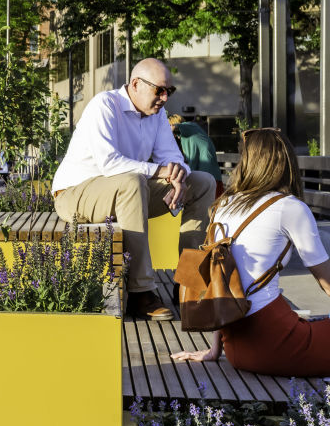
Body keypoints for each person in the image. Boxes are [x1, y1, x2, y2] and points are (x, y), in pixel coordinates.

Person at [172, 128, 330, 377]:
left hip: (238, 350)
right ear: (286, 162)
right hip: (280, 343)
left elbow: (221, 282)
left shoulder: (224, 205)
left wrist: (214, 350)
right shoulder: (289, 207)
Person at [51, 58, 217, 321]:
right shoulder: (104, 105)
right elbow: (109, 163)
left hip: (128, 193)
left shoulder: (157, 115)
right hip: (75, 194)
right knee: (131, 181)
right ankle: (141, 292)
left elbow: (171, 157)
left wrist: (179, 176)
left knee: (203, 182)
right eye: (159, 90)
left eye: (169, 92)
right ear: (136, 84)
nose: (164, 98)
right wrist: (162, 171)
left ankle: (188, 283)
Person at [168, 114, 223, 197]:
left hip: (210, 176)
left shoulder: (190, 126)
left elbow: (174, 127)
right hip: (206, 177)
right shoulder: (186, 137)